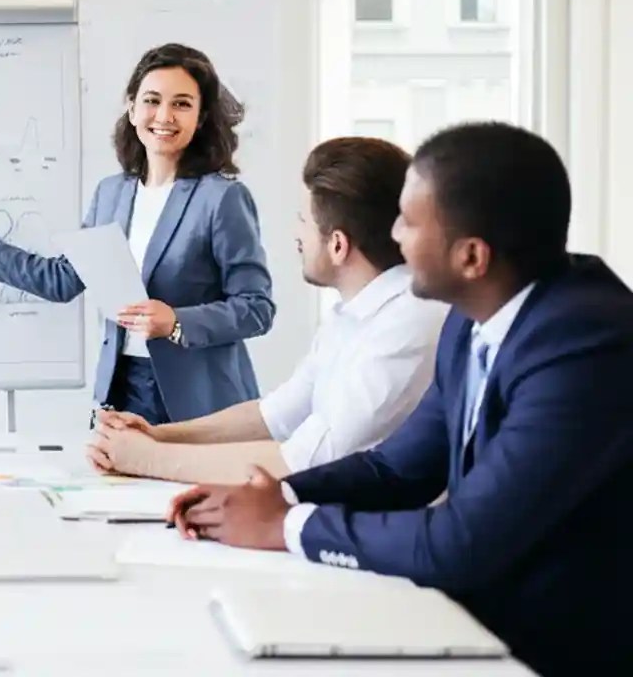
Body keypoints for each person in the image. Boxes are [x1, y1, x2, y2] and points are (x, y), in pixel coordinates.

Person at [166, 122, 633, 675]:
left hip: (565, 651)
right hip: (480, 623)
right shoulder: (472, 320)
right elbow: (399, 469)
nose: (393, 236)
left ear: (471, 257)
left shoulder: (585, 345)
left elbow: (463, 540)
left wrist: (284, 526)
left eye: (408, 222)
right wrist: (273, 496)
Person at [0, 43, 274, 425]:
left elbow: (256, 308)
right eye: (152, 100)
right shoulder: (111, 193)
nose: (164, 115)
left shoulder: (222, 198)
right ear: (132, 109)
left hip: (200, 400)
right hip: (123, 389)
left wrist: (176, 321)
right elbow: (62, 280)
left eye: (182, 104)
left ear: (200, 118)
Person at [89, 137, 446, 483]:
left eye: (303, 220)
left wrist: (144, 457)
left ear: (338, 245)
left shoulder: (408, 322)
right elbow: (274, 416)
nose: (296, 234)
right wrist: (159, 436)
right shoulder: (351, 314)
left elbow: (305, 461)